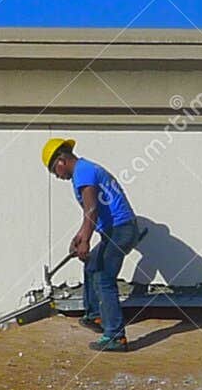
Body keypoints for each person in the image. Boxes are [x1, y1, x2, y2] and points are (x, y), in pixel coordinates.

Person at [41, 138, 138, 351]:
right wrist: (80, 235)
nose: (58, 177)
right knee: (92, 264)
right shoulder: (85, 169)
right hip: (116, 230)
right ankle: (95, 316)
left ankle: (115, 336)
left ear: (61, 161)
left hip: (121, 230)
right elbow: (93, 212)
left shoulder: (82, 172)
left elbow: (91, 209)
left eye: (54, 172)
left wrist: (86, 239)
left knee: (104, 278)